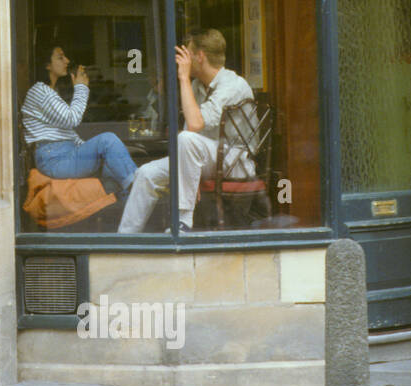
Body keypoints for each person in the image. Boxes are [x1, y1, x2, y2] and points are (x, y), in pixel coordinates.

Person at [117, 28, 254, 233]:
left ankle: (183, 222)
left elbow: (194, 125)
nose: (180, 60)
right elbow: (188, 134)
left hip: (236, 160)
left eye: (185, 54)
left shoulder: (232, 85)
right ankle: (125, 239)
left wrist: (183, 78)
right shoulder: (198, 85)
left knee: (188, 138)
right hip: (207, 157)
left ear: (199, 57)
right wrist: (190, 174)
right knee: (146, 173)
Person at [21, 45, 137, 194]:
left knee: (113, 170)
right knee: (108, 140)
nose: (67, 61)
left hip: (62, 154)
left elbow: (66, 131)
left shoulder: (49, 91)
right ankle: (140, 186)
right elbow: (72, 119)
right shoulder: (40, 91)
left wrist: (93, 149)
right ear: (47, 65)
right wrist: (81, 87)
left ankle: (130, 206)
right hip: (55, 160)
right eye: (60, 57)